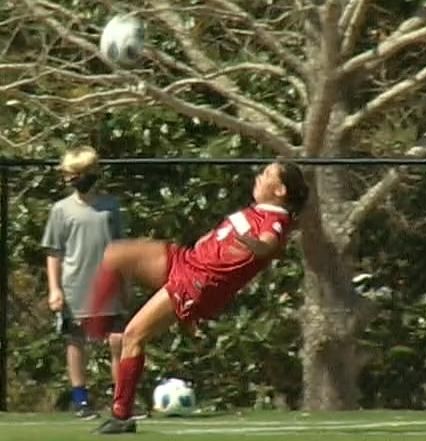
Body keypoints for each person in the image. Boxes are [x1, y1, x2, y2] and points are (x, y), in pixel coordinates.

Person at [88, 161, 309, 434]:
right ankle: (101, 330)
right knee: (115, 255)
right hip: (188, 262)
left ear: (280, 190)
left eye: (266, 175)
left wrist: (254, 245)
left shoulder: (276, 219)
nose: (258, 177)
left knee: (133, 335)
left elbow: (267, 244)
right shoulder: (258, 210)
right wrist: (209, 238)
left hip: (196, 282)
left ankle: (121, 415)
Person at [42, 146, 125, 419]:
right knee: (76, 342)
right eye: (70, 175)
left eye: (78, 174)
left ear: (92, 173)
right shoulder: (61, 210)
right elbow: (54, 252)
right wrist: (55, 289)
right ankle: (81, 400)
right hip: (74, 287)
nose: (73, 180)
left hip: (108, 284)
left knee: (117, 341)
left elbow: (120, 246)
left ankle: (121, 399)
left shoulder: (111, 206)